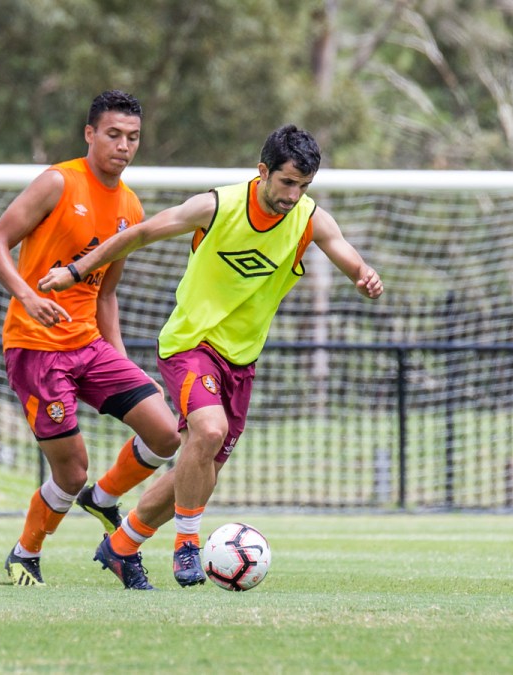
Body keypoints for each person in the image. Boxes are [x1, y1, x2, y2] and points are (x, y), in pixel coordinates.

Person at [38, 124, 384, 589]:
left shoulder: (309, 219)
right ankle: (187, 546)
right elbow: (140, 234)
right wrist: (76, 270)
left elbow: (347, 255)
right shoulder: (217, 206)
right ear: (262, 171)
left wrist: (364, 275)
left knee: (199, 469)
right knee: (209, 430)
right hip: (190, 344)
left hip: (241, 361)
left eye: (303, 186)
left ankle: (121, 545)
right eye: (286, 182)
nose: (293, 194)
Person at [0, 90, 181, 587]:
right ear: (89, 134)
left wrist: (123, 363)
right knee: (70, 472)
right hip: (36, 349)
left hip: (89, 346)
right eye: (113, 134)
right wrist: (27, 296)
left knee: (166, 430)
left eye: (133, 137)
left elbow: (106, 294)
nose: (123, 146)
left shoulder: (129, 206)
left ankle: (105, 498)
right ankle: (25, 554)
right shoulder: (57, 181)